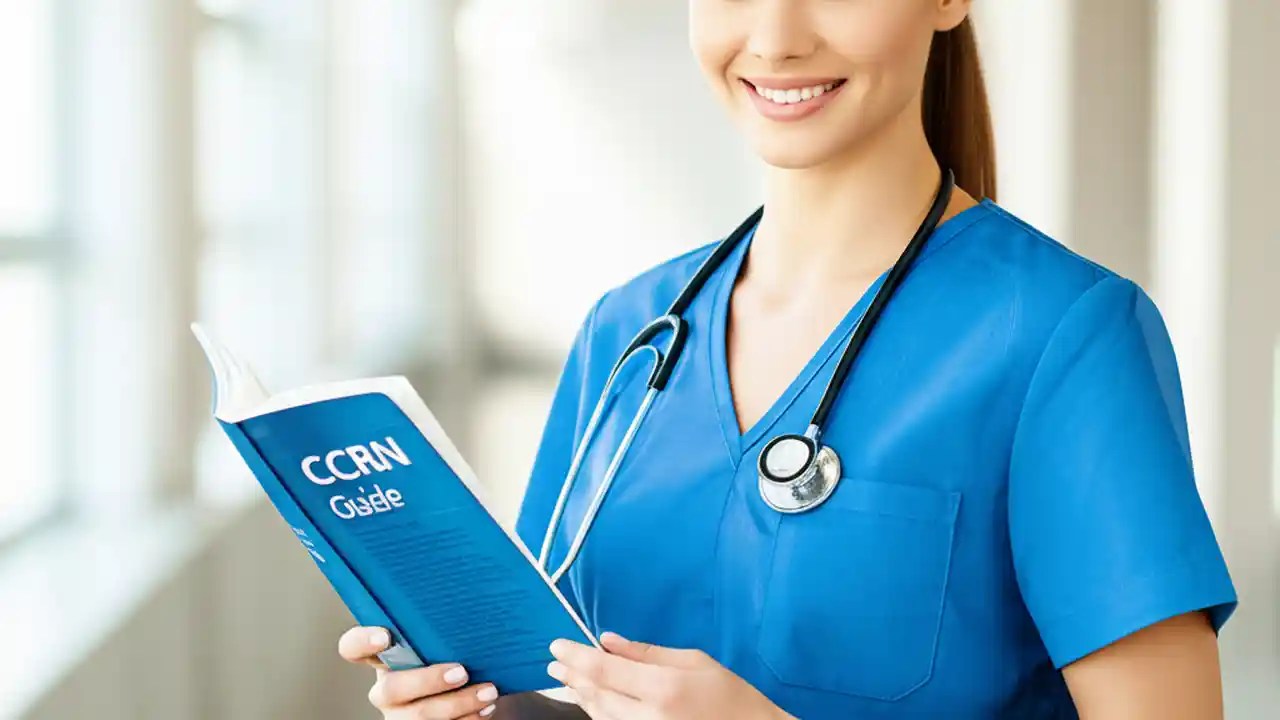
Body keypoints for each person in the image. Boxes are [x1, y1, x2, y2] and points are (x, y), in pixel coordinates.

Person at [339, 1, 1237, 717]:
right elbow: (557, 682)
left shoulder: (1064, 337)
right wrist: (470, 704)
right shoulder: (628, 333)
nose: (775, 37)